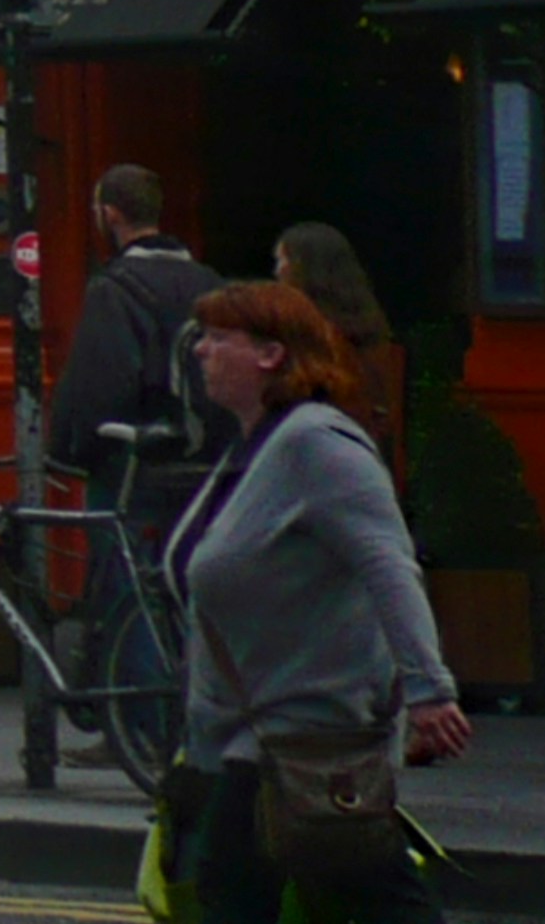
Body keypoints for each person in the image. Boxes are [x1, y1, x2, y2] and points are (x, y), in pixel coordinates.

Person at [169, 279, 466, 924]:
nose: (201, 351)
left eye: (218, 338)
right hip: (251, 736)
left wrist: (429, 688)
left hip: (304, 737)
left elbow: (388, 564)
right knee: (326, 896)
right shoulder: (257, 448)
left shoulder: (316, 444)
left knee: (251, 893)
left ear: (270, 354)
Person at [47, 163, 212, 492]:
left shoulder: (112, 289)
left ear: (110, 215)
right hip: (205, 457)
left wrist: (71, 452)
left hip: (135, 463)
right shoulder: (210, 282)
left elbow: (103, 383)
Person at [277, 223, 404, 471]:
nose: (278, 271)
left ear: (306, 269)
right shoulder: (372, 331)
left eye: (283, 260)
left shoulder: (313, 337)